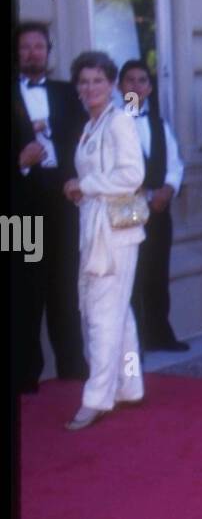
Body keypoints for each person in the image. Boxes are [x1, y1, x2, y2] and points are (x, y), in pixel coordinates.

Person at [61, 52, 147, 430]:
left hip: (115, 234)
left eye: (97, 81)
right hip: (96, 227)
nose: (89, 88)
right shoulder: (92, 124)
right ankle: (129, 385)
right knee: (118, 313)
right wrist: (82, 189)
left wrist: (86, 185)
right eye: (83, 81)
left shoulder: (120, 122)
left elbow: (133, 175)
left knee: (101, 316)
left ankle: (96, 398)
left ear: (111, 84)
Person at [13, 22, 88, 390]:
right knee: (21, 286)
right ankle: (24, 373)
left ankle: (72, 364)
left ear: (48, 51)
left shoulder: (65, 93)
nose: (32, 53)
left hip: (62, 202)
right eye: (25, 47)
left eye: (39, 47)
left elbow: (82, 139)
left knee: (65, 284)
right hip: (16, 210)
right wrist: (20, 161)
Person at [119, 60, 188, 353]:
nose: (136, 86)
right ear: (121, 87)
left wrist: (168, 189)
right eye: (130, 81)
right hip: (127, 209)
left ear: (149, 87)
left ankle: (161, 333)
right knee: (132, 273)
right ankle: (136, 340)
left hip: (159, 211)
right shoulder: (115, 123)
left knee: (158, 272)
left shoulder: (159, 123)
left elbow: (174, 164)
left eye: (142, 81)